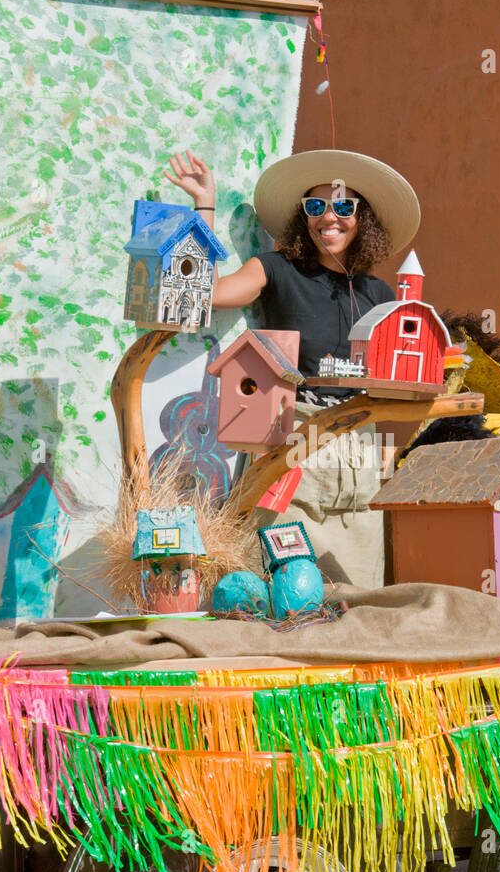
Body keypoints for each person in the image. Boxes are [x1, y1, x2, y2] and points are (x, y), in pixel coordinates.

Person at [164, 149, 422, 589]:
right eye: (315, 206)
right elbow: (201, 294)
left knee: (357, 600)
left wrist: (389, 455)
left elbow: (397, 380)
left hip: (357, 457)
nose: (329, 217)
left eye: (344, 206)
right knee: (277, 590)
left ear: (364, 218)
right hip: (290, 448)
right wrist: (204, 205)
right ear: (303, 216)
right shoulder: (275, 270)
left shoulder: (381, 294)